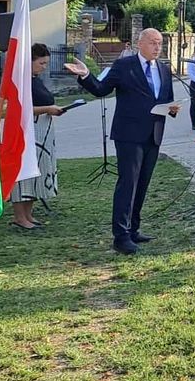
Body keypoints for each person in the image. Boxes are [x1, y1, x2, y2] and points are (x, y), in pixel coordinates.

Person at [66, 28, 180, 254]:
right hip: (129, 135)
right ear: (140, 44)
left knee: (143, 183)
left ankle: (134, 229)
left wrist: (172, 109)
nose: (158, 47)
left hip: (154, 134)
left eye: (160, 43)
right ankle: (121, 236)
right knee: (128, 183)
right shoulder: (124, 66)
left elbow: (166, 99)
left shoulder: (164, 70)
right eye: (153, 42)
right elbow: (101, 90)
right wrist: (85, 75)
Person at [7, 43, 66, 231]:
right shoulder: (20, 82)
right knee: (24, 173)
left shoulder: (35, 79)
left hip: (43, 131)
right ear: (30, 61)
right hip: (28, 131)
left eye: (46, 63)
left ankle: (29, 213)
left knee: (37, 172)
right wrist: (47, 109)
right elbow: (18, 110)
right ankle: (19, 216)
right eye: (41, 63)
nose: (44, 67)